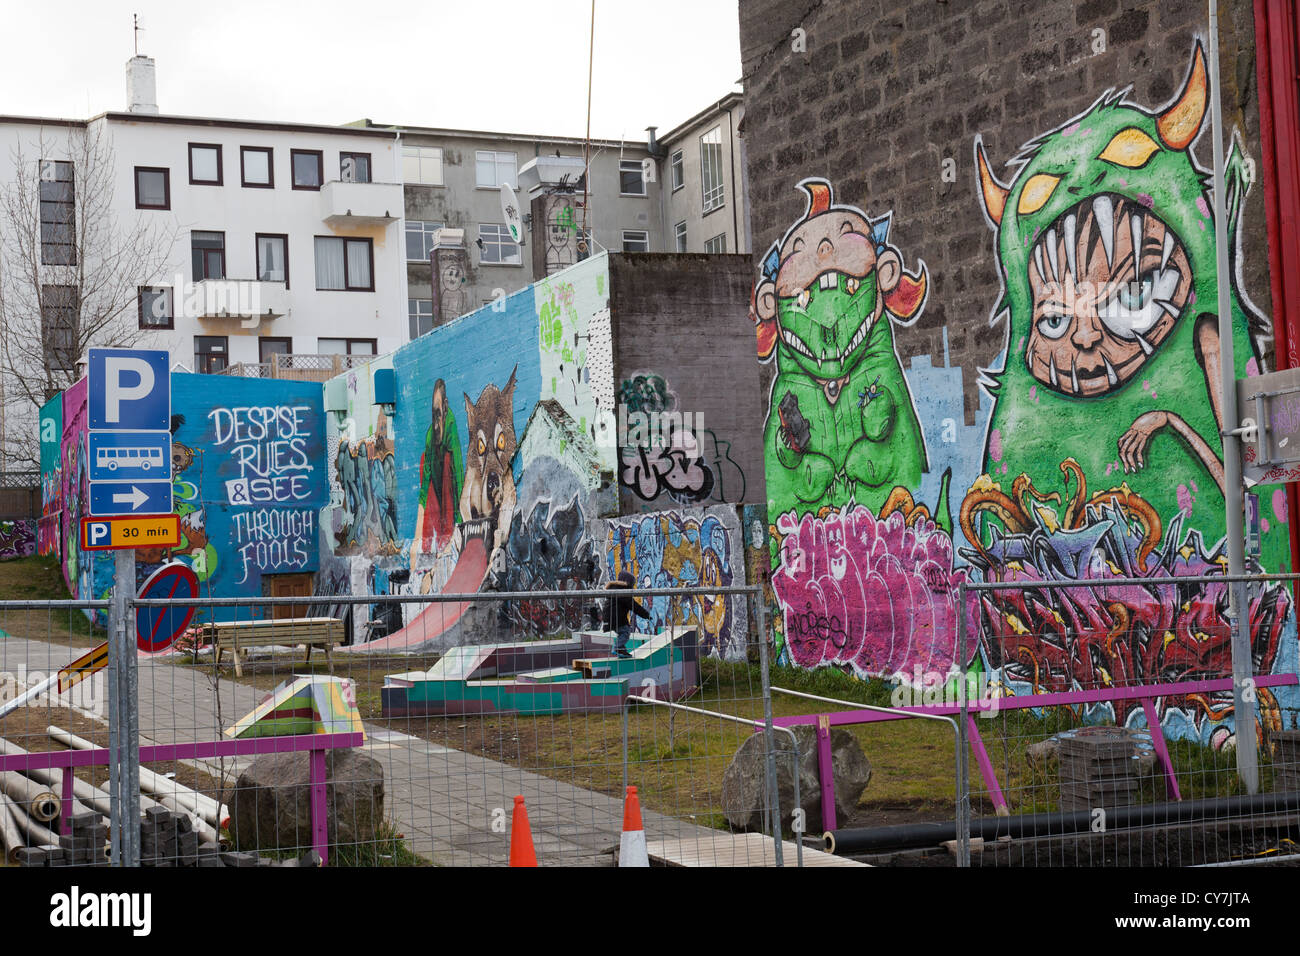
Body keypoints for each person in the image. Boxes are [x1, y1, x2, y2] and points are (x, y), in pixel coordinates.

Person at [605, 571, 651, 658]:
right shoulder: (623, 593)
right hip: (616, 618)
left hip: (612, 617)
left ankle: (621, 648)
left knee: (623, 632)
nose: (632, 587)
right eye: (632, 585)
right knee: (625, 631)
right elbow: (634, 606)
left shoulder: (615, 590)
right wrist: (646, 614)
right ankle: (617, 647)